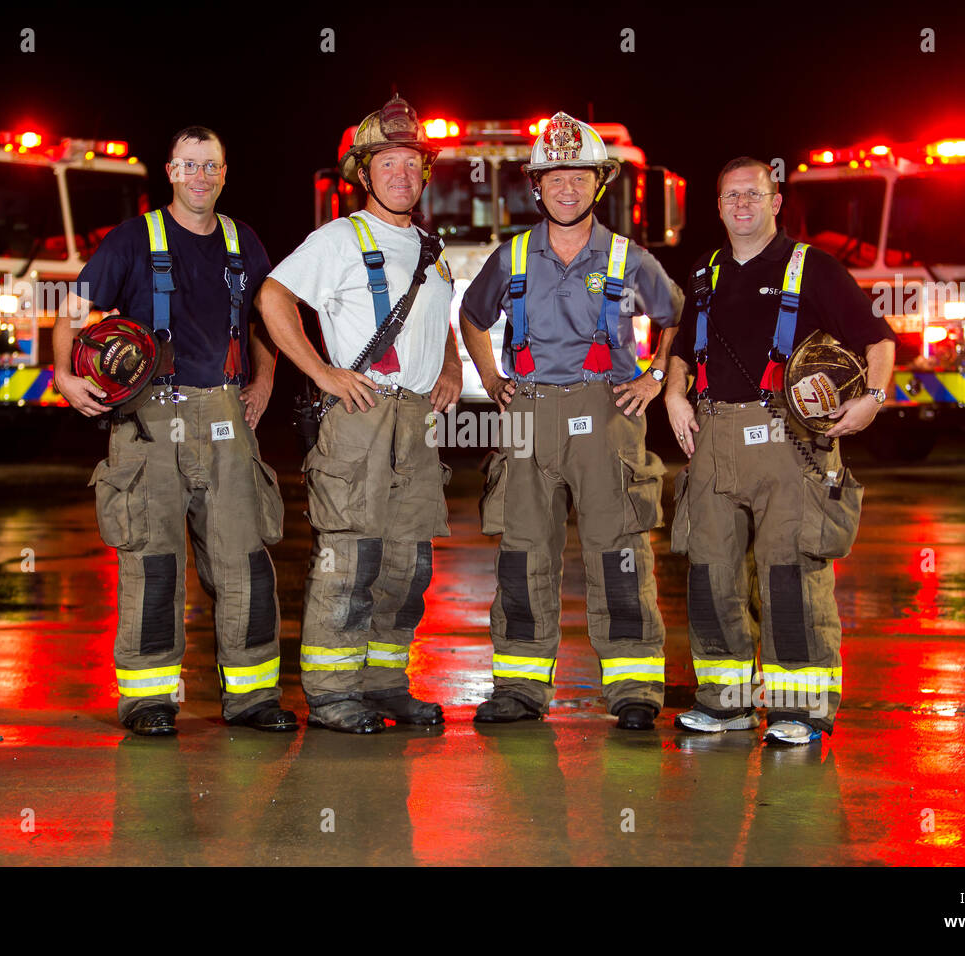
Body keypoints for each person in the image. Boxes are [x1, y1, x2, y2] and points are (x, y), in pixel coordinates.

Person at [53, 125, 295, 737]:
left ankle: (251, 697)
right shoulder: (133, 240)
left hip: (223, 415)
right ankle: (148, 698)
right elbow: (73, 309)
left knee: (243, 558)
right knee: (154, 561)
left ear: (224, 172)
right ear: (169, 171)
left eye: (210, 165)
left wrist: (265, 381)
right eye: (188, 165)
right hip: (148, 423)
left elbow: (270, 320)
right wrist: (62, 373)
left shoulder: (245, 241)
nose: (200, 177)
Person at [459, 112, 683, 731]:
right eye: (554, 177)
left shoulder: (627, 258)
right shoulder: (512, 257)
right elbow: (473, 319)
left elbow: (674, 312)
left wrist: (654, 376)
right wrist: (494, 379)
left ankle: (635, 686)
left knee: (620, 550)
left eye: (579, 177)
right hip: (527, 411)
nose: (566, 188)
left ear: (598, 184)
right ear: (537, 184)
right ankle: (521, 687)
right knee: (523, 550)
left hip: (605, 411)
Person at [664, 156, 896, 744]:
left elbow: (878, 339)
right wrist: (673, 393)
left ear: (775, 202)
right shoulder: (704, 272)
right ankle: (725, 702)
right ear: (717, 208)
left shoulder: (813, 267)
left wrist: (872, 397)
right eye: (730, 196)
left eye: (753, 194)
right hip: (715, 436)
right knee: (710, 570)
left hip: (791, 443)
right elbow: (684, 351)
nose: (741, 204)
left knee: (789, 572)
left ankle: (799, 711)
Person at [258, 95, 462, 734]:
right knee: (348, 562)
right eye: (388, 164)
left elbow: (438, 321)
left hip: (416, 426)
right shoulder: (341, 238)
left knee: (407, 564)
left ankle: (384, 685)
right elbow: (272, 296)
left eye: (412, 164)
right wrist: (320, 371)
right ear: (363, 174)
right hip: (361, 413)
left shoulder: (431, 249)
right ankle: (331, 694)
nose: (402, 174)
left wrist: (453, 366)